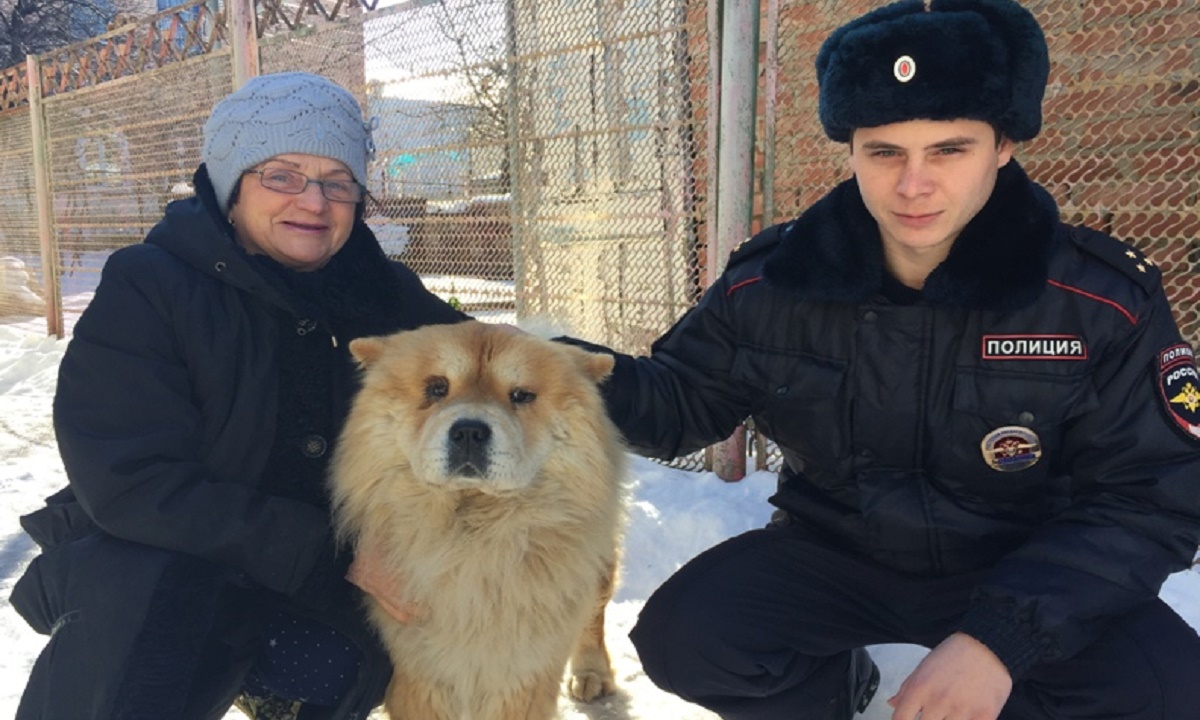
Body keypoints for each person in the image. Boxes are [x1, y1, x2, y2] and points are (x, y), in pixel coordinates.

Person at [566, 1, 1200, 719]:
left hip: (1021, 564)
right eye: (885, 152)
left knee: (1169, 689)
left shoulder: (1098, 300)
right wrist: (544, 368)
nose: (913, 184)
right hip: (837, 554)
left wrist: (999, 643)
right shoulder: (775, 283)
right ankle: (833, 695)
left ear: (1002, 145)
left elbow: (1148, 496)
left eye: (949, 150)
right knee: (686, 636)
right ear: (852, 150)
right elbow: (680, 402)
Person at [9, 71, 465, 720]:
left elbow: (506, 363)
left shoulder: (377, 291)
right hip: (163, 563)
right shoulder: (150, 286)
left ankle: (275, 687)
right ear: (230, 189)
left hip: (310, 581)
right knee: (143, 638)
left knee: (351, 658)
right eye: (282, 175)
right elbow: (133, 482)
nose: (314, 202)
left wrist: (616, 387)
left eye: (338, 182)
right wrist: (336, 557)